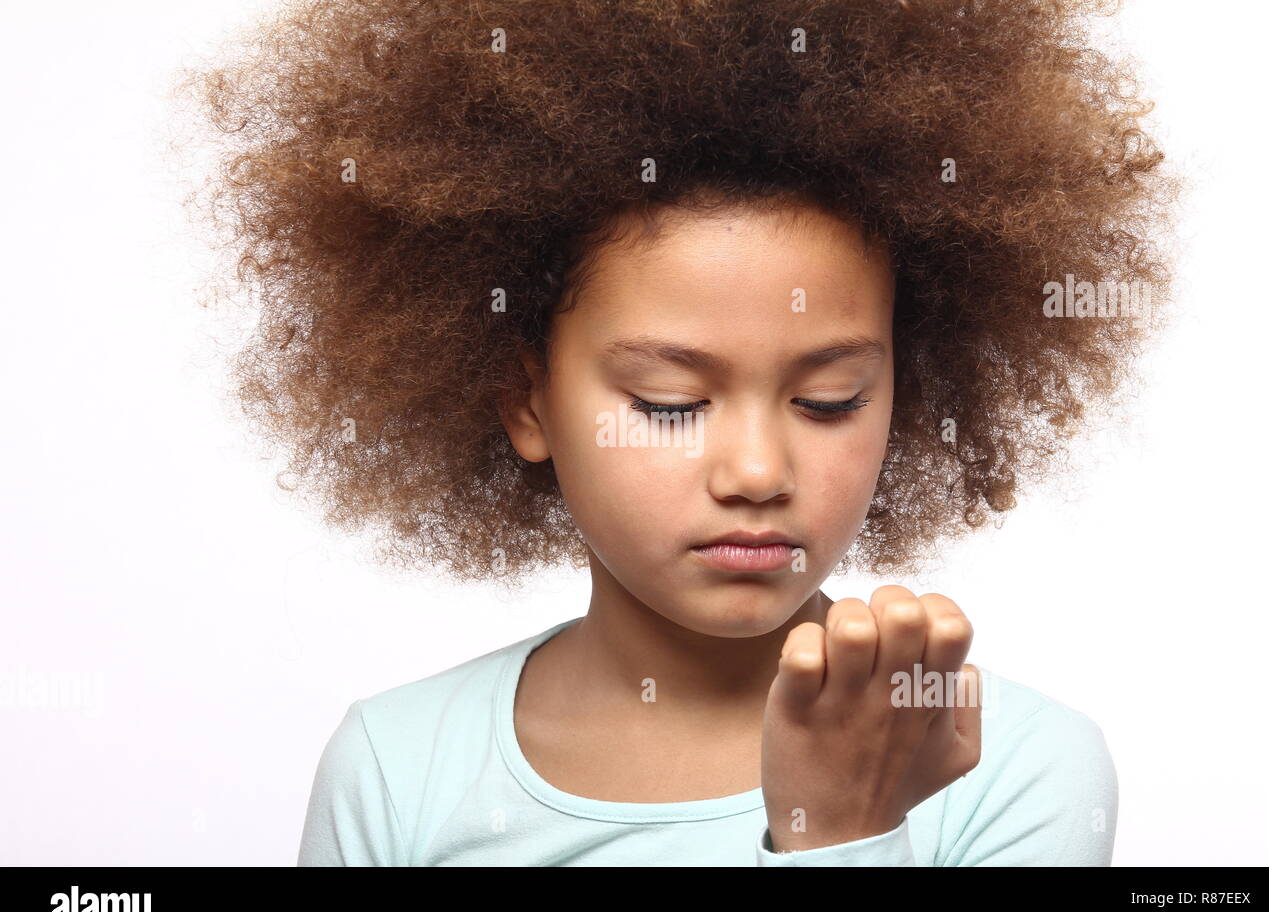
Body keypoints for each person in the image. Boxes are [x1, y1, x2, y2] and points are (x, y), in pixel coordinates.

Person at [183, 0, 1176, 865]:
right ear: (525, 399)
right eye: (668, 403)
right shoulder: (398, 767)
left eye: (829, 399)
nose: (755, 470)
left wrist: (838, 827)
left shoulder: (1006, 763)